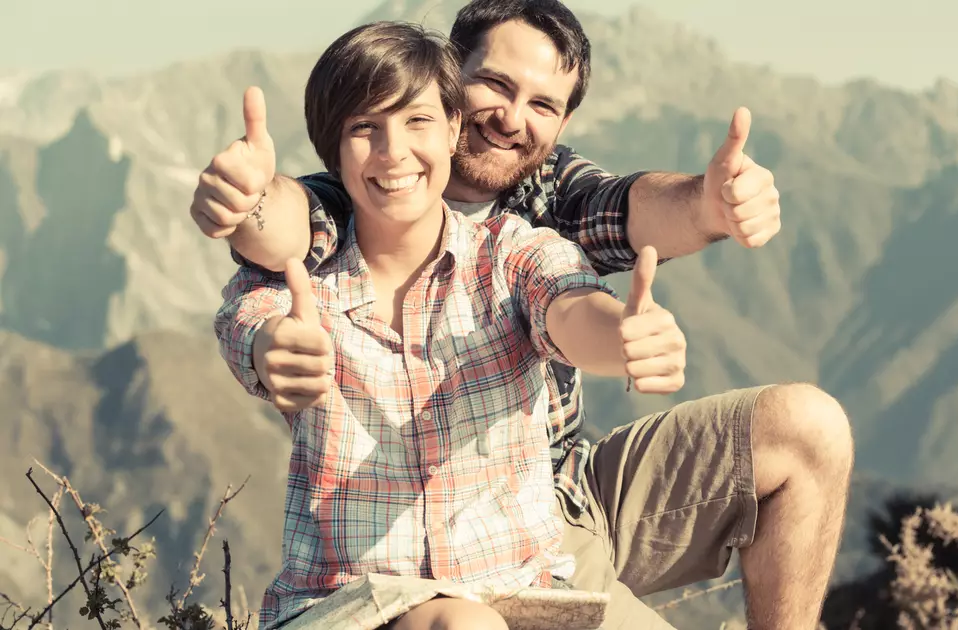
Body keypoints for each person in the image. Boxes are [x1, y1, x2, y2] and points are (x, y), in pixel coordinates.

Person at [194, 1, 854, 627]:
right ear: (453, 83)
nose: (512, 118)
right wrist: (247, 208)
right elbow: (280, 234)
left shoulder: (532, 219)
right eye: (496, 85)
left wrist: (705, 215)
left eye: (542, 104)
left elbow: (601, 251)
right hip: (384, 577)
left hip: (549, 516)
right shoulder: (341, 216)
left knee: (809, 428)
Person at [212, 20, 689, 630]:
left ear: (454, 128)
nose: (393, 153)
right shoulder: (298, 284)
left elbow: (569, 307)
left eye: (417, 121)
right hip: (352, 607)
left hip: (523, 592)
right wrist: (276, 350)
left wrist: (623, 338)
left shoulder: (514, 255)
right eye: (364, 128)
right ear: (332, 150)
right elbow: (252, 327)